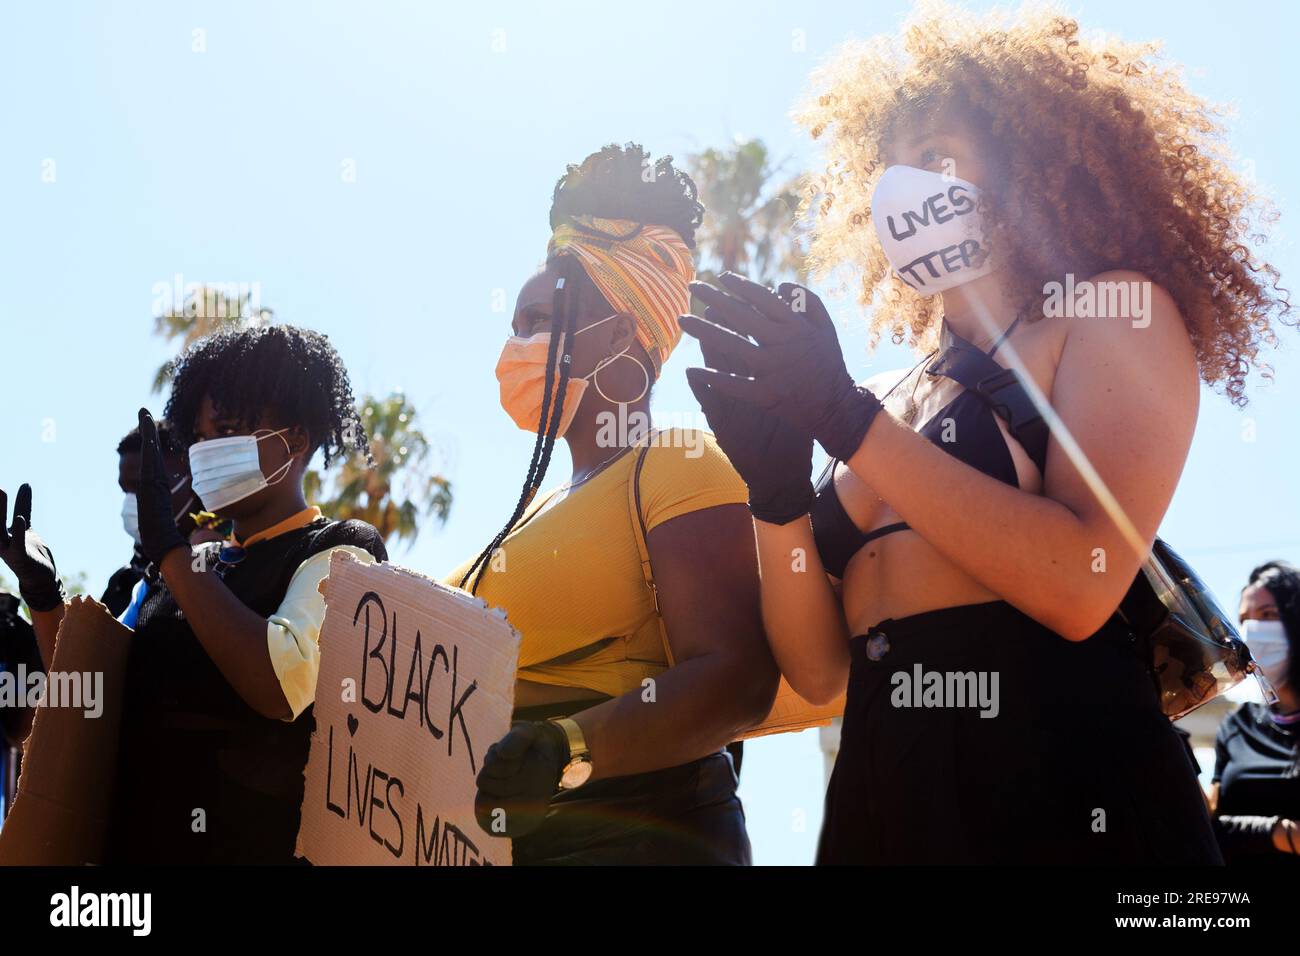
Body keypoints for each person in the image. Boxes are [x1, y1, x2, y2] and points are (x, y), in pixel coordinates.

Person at [681, 3, 1289, 864]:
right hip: (883, 798)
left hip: (1069, 791)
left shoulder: (1111, 315)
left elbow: (1081, 586)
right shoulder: (888, 395)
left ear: (1030, 168)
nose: (905, 188)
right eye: (891, 165)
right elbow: (819, 675)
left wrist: (845, 422)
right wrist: (777, 497)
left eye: (938, 157)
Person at [448, 143, 778, 865]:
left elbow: (737, 679)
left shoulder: (678, 465)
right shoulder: (530, 513)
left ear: (623, 333)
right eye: (516, 323)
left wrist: (566, 748)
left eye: (540, 321)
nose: (518, 342)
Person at [2, 324, 388, 864]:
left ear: (295, 440)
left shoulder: (338, 550)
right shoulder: (184, 570)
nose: (207, 453)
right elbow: (87, 695)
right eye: (201, 438)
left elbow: (282, 685)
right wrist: (43, 597)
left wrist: (173, 555)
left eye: (228, 430)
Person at [1209, 561, 1300, 865]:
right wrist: (1278, 833)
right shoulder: (1237, 725)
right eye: (1244, 619)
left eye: (1268, 616)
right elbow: (1210, 827)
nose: (1252, 630)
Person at [101, 418, 200, 621]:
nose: (131, 500)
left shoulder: (224, 559)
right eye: (125, 490)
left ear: (188, 474)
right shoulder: (124, 581)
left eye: (141, 486)